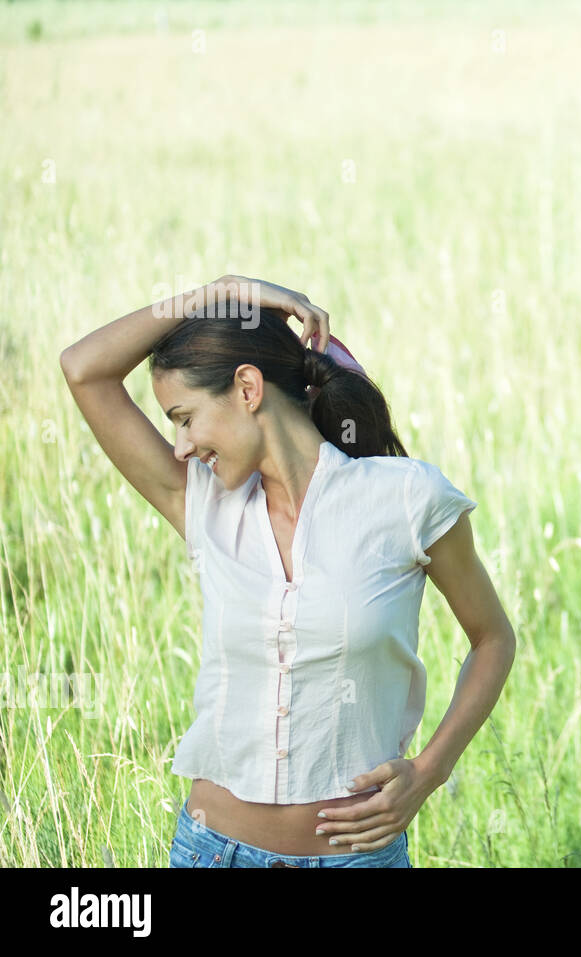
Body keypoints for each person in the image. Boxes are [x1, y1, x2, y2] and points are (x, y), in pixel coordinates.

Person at [59, 275, 516, 867]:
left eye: (185, 417)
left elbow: (492, 639)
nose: (180, 446)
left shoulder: (407, 499)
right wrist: (216, 293)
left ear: (247, 387)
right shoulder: (202, 504)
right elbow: (83, 369)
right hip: (211, 852)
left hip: (356, 857)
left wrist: (429, 772)